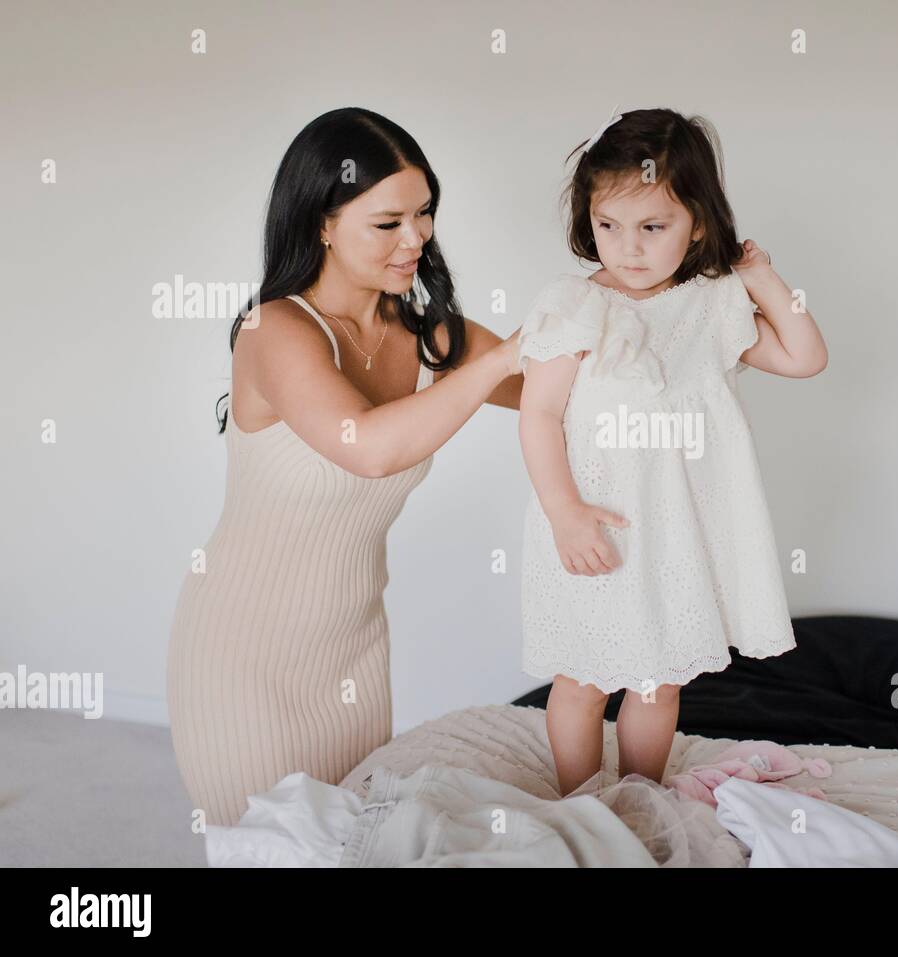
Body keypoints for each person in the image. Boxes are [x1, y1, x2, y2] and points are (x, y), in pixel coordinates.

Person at [167, 107, 523, 826]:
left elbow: (561, 390)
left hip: (354, 651)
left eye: (424, 214)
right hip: (243, 654)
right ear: (323, 223)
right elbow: (368, 445)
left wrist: (668, 316)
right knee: (268, 844)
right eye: (387, 223)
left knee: (355, 843)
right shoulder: (277, 329)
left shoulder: (428, 333)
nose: (417, 237)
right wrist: (506, 356)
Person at [516, 107, 828, 796]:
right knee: (583, 677)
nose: (627, 248)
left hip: (676, 526)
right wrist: (565, 511)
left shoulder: (712, 303)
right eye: (608, 226)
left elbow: (806, 357)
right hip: (595, 520)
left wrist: (763, 278)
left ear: (698, 222)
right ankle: (578, 798)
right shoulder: (574, 306)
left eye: (652, 226)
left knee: (658, 679)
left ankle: (640, 795)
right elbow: (537, 413)